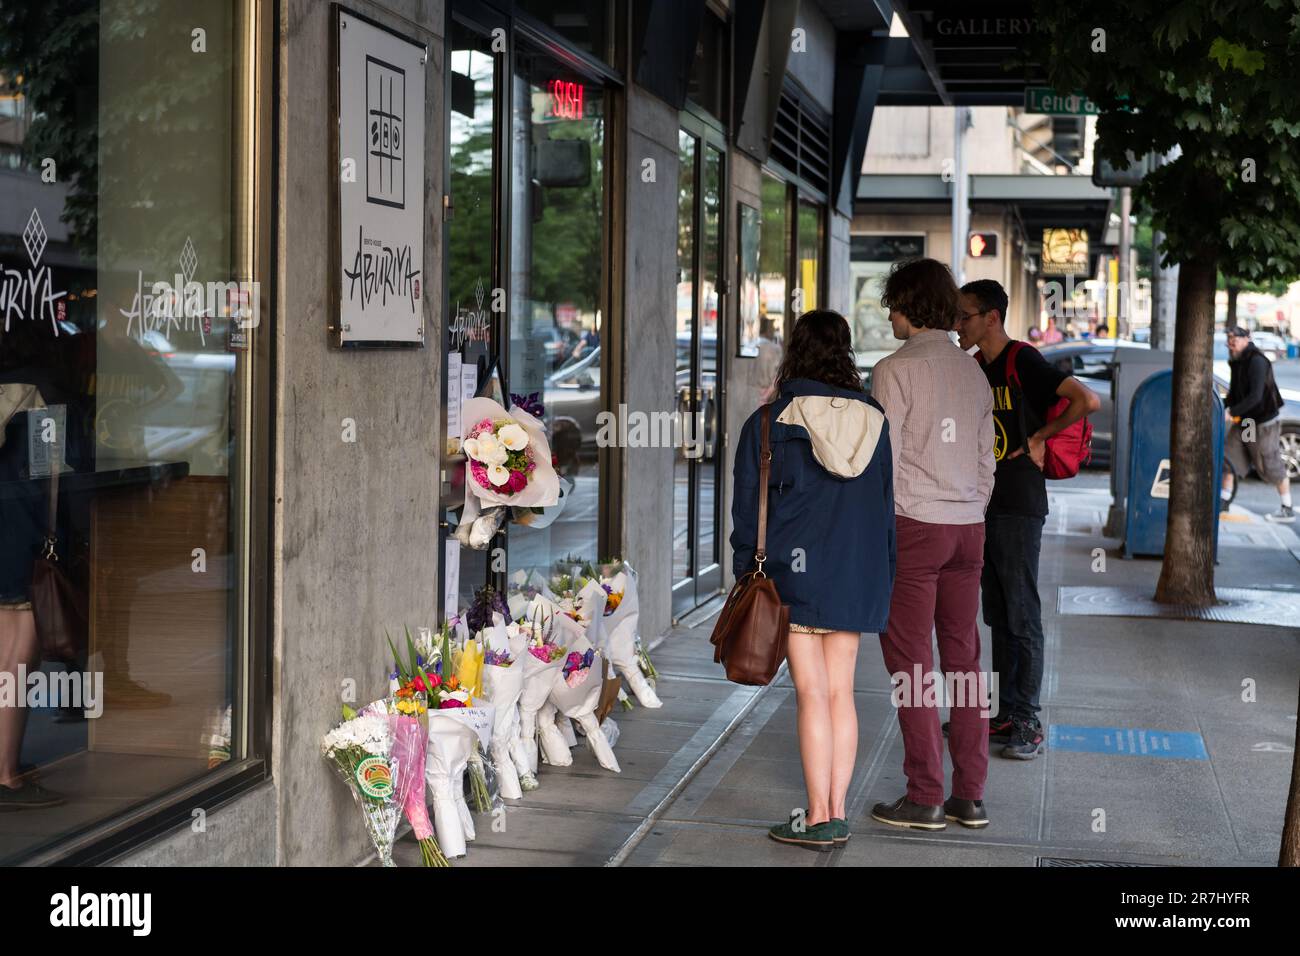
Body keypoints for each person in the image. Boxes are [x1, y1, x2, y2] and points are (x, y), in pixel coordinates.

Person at [730, 310, 895, 851]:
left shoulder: (769, 421)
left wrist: (742, 573)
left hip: (789, 576)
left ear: (794, 351)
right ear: (845, 352)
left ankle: (819, 814)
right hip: (853, 572)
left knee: (811, 694)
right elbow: (884, 509)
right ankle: (836, 811)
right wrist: (881, 575)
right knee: (841, 692)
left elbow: (745, 509)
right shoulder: (875, 419)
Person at [868, 258, 996, 831]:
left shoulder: (892, 370)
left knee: (911, 663)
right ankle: (970, 795)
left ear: (908, 306)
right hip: (968, 526)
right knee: (964, 659)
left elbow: (880, 461)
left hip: (914, 524)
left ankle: (925, 794)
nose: (889, 313)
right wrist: (970, 505)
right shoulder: (972, 373)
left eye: (893, 302)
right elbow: (983, 459)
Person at [956, 280, 1099, 760]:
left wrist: (1041, 435)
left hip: (1019, 502)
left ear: (991, 317)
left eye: (965, 316)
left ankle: (1028, 719)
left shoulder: (1024, 360)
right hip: (984, 503)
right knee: (997, 613)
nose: (958, 325)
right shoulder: (975, 367)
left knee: (1022, 612)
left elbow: (1086, 401)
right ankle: (1004, 713)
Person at [1224, 326, 1293, 522]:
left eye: (1235, 338)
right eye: (1228, 338)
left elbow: (1255, 396)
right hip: (1248, 422)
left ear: (1247, 338)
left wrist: (1231, 412)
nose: (1231, 341)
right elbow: (1235, 392)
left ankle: (1287, 508)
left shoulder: (1256, 361)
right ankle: (1224, 500)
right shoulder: (1237, 360)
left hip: (1263, 422)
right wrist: (1224, 405)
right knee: (1232, 455)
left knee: (1268, 463)